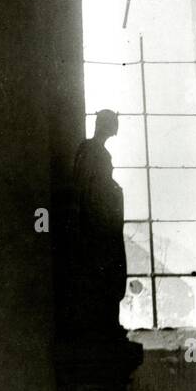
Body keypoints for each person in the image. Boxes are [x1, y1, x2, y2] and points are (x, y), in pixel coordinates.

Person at [70, 109, 127, 332]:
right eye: (113, 125)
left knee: (108, 273)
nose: (115, 130)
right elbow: (87, 188)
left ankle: (107, 323)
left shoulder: (97, 151)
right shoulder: (91, 150)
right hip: (96, 226)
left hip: (104, 224)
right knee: (100, 274)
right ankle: (101, 324)